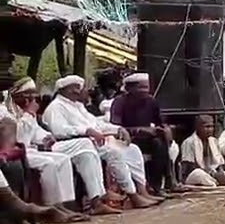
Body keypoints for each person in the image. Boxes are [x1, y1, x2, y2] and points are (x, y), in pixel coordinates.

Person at [42, 75, 160, 209]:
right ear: (71, 90)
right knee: (89, 151)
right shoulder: (56, 107)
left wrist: (118, 129)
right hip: (67, 144)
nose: (84, 91)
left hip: (88, 143)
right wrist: (86, 131)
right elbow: (59, 131)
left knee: (126, 150)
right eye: (80, 88)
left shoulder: (77, 106)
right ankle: (98, 199)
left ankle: (135, 193)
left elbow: (96, 124)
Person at [6, 79, 118, 214]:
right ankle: (52, 207)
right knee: (50, 163)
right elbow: (21, 140)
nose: (35, 101)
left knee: (64, 159)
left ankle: (70, 204)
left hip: (40, 148)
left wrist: (46, 137)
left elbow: (37, 132)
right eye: (31, 97)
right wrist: (29, 115)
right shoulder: (10, 111)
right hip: (22, 151)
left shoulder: (77, 106)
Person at [109, 73, 182, 195]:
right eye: (141, 87)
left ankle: (159, 185)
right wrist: (139, 130)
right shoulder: (119, 102)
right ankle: (161, 183)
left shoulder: (151, 101)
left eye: (146, 87)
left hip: (148, 139)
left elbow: (160, 122)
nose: (145, 91)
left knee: (160, 142)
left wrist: (166, 129)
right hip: (127, 140)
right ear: (129, 89)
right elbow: (115, 127)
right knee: (156, 144)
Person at [179, 115, 225, 186]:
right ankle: (216, 182)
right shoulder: (189, 142)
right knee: (199, 174)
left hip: (213, 174)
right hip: (196, 175)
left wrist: (221, 174)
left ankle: (216, 182)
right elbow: (189, 167)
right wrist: (213, 175)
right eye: (207, 127)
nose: (210, 129)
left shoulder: (214, 141)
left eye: (212, 126)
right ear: (198, 127)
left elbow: (219, 163)